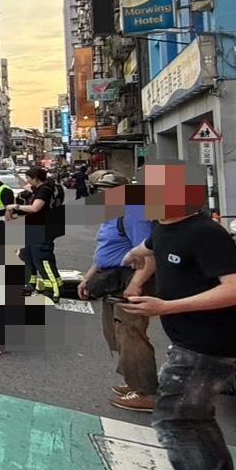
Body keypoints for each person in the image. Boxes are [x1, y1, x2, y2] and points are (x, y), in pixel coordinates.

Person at [123, 163, 236, 470]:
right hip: (196, 344)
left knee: (175, 421)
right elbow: (150, 249)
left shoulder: (204, 232)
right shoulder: (165, 227)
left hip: (208, 346)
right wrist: (134, 258)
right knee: (198, 418)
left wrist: (166, 306)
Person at [79, 174, 157, 411]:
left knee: (131, 334)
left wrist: (136, 284)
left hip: (128, 282)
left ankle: (146, 392)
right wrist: (89, 276)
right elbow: (105, 248)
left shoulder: (134, 212)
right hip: (112, 280)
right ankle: (135, 382)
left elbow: (149, 254)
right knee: (115, 333)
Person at [8, 165, 64, 299]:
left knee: (43, 261)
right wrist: (17, 176)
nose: (27, 181)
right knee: (27, 257)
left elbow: (35, 208)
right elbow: (26, 188)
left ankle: (53, 291)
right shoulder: (42, 188)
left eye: (28, 178)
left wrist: (15, 206)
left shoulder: (44, 190)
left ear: (36, 179)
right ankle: (30, 285)